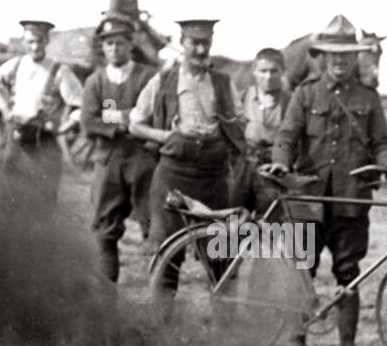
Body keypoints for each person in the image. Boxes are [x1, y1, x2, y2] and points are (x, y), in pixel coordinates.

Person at [265, 15, 387, 346]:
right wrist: (281, 162)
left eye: (347, 56)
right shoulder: (305, 93)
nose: (340, 62)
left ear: (356, 57)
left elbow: (381, 142)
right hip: (309, 199)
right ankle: (297, 344)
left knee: (349, 271)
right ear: (323, 58)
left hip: (350, 198)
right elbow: (287, 135)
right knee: (301, 270)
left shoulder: (369, 98)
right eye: (333, 56)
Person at [129, 18, 245, 293]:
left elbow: (239, 122)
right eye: (195, 43)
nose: (201, 50)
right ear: (182, 43)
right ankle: (161, 331)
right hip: (172, 177)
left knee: (221, 260)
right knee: (166, 257)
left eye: (206, 43)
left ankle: (226, 334)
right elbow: (133, 122)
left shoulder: (223, 83)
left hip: (213, 180)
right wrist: (167, 137)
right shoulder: (162, 80)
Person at [80, 16, 160, 281]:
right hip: (109, 160)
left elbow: (154, 115)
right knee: (105, 230)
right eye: (109, 43)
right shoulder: (96, 81)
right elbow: (89, 121)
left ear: (130, 44)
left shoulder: (148, 77)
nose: (114, 48)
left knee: (154, 227)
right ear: (103, 47)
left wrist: (112, 115)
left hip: (143, 159)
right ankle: (107, 300)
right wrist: (127, 119)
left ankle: (159, 302)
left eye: (120, 43)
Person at [0, 20, 84, 210]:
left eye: (39, 41)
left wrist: (63, 128)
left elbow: (81, 105)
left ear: (47, 41)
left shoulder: (60, 71)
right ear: (24, 42)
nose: (35, 47)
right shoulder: (15, 65)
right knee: (9, 199)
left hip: (43, 144)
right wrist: (4, 109)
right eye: (30, 42)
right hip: (15, 140)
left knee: (42, 203)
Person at [230, 47, 292, 209]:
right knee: (234, 220)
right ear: (254, 71)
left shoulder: (291, 101)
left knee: (271, 222)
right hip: (243, 168)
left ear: (283, 71)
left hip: (274, 169)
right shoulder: (242, 97)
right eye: (263, 71)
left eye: (274, 71)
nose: (268, 77)